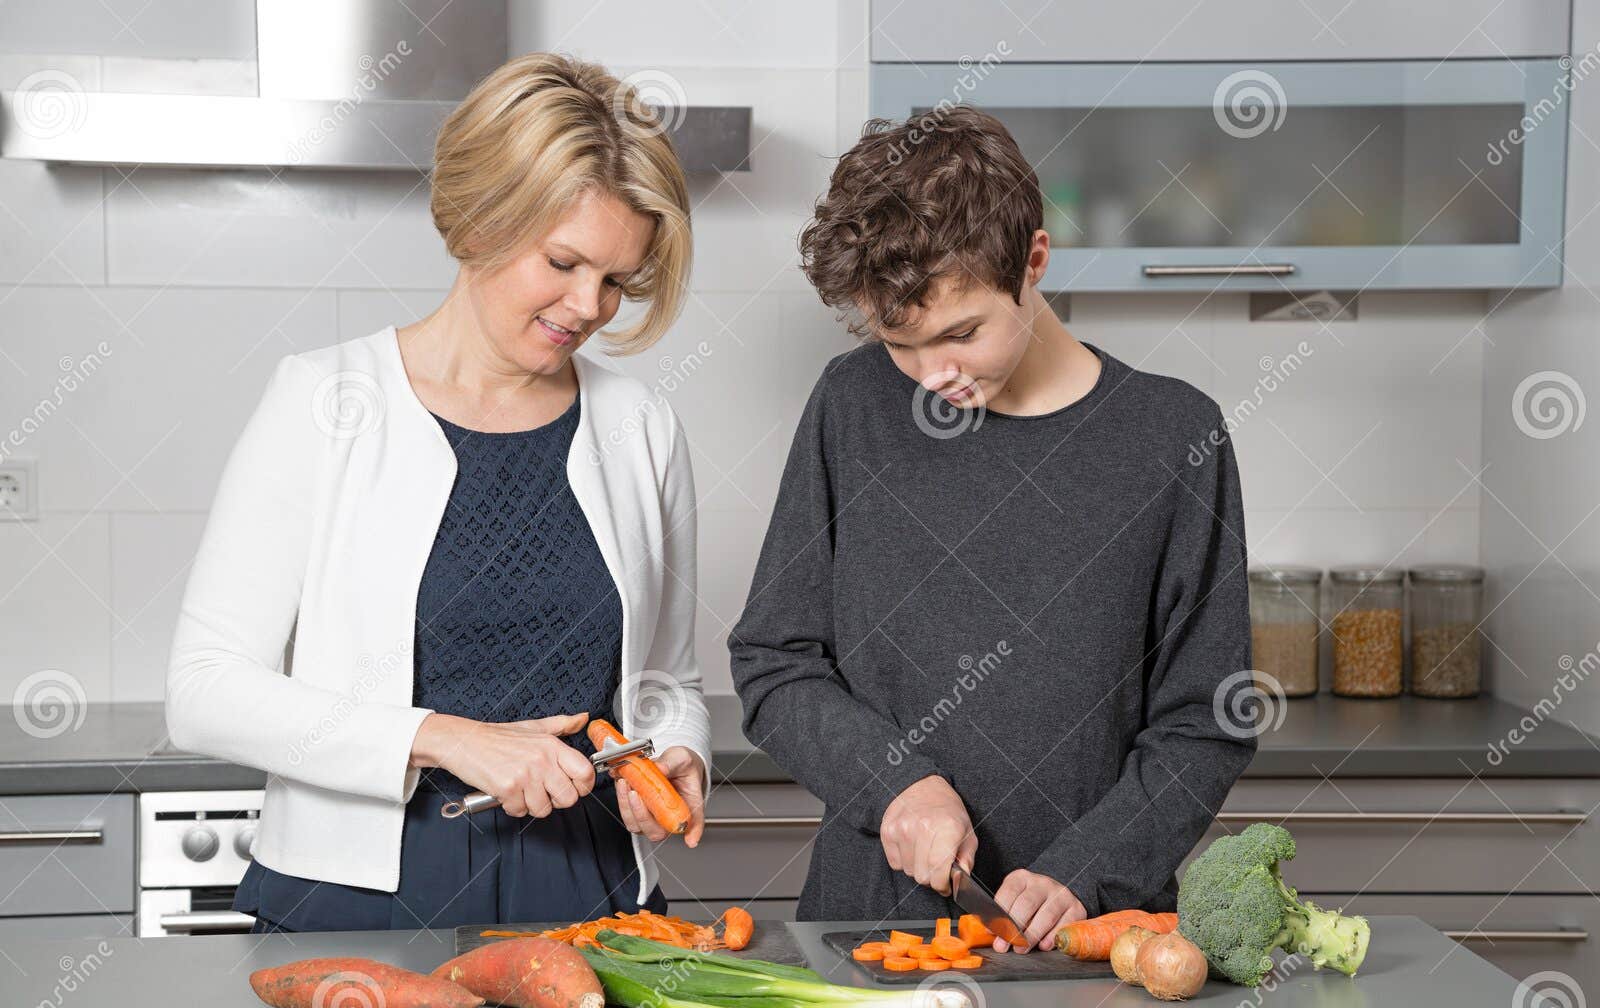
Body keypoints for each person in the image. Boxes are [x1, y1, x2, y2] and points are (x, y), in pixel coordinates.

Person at [166, 54, 711, 933]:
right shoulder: (325, 400)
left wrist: (680, 749)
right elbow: (205, 688)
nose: (589, 306)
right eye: (564, 261)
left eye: (616, 279)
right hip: (363, 893)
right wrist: (448, 737)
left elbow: (667, 679)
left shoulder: (641, 426)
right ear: (482, 222)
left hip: (594, 887)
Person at [728, 106, 1257, 951]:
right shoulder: (851, 405)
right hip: (872, 926)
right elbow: (774, 660)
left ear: (1034, 260)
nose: (934, 375)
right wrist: (895, 783)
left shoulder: (1173, 437)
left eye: (962, 333)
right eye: (901, 342)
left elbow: (1207, 717)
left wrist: (1088, 867)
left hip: (1092, 935)